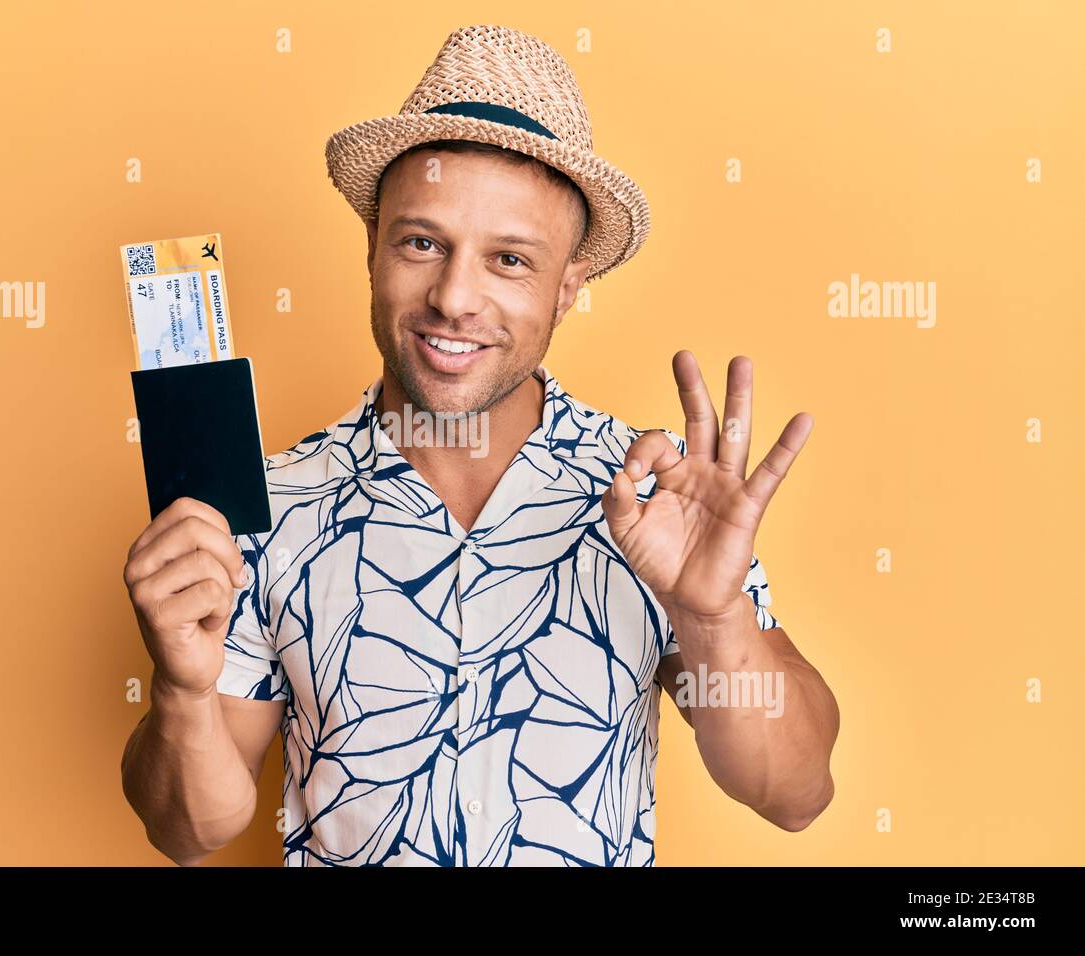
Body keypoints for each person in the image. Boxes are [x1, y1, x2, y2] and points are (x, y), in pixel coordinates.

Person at [120, 23, 838, 867]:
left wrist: (715, 617)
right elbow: (190, 833)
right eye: (422, 243)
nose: (455, 297)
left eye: (509, 260)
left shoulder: (664, 505)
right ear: (373, 249)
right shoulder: (261, 507)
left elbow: (794, 793)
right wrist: (182, 687)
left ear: (570, 287)